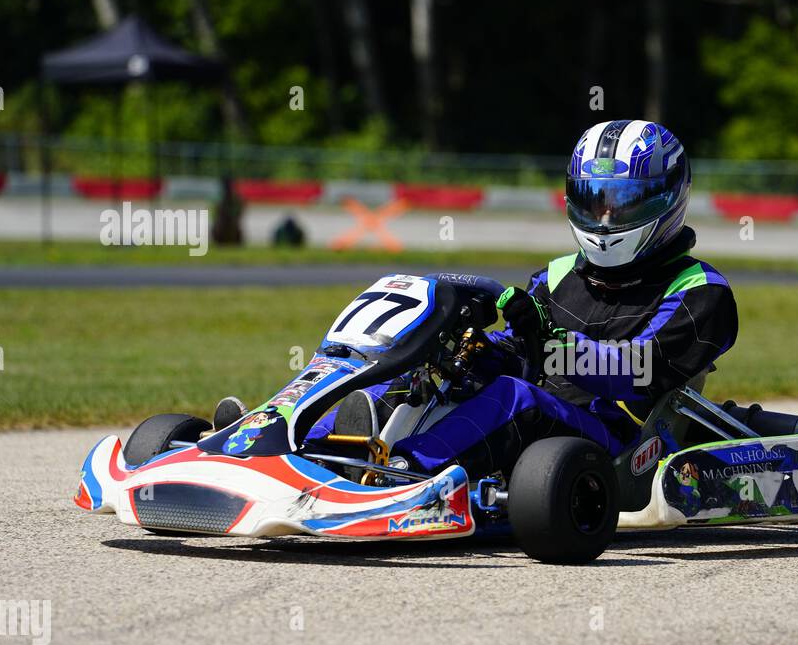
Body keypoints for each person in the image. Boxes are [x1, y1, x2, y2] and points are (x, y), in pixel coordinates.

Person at [316, 119, 739, 480]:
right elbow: (522, 355)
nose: (605, 219)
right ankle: (309, 450)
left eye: (622, 202)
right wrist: (472, 347)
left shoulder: (700, 290)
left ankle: (403, 471)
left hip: (622, 444)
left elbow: (640, 371)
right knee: (423, 370)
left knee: (514, 397)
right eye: (594, 201)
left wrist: (551, 343)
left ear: (667, 198)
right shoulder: (557, 275)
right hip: (547, 429)